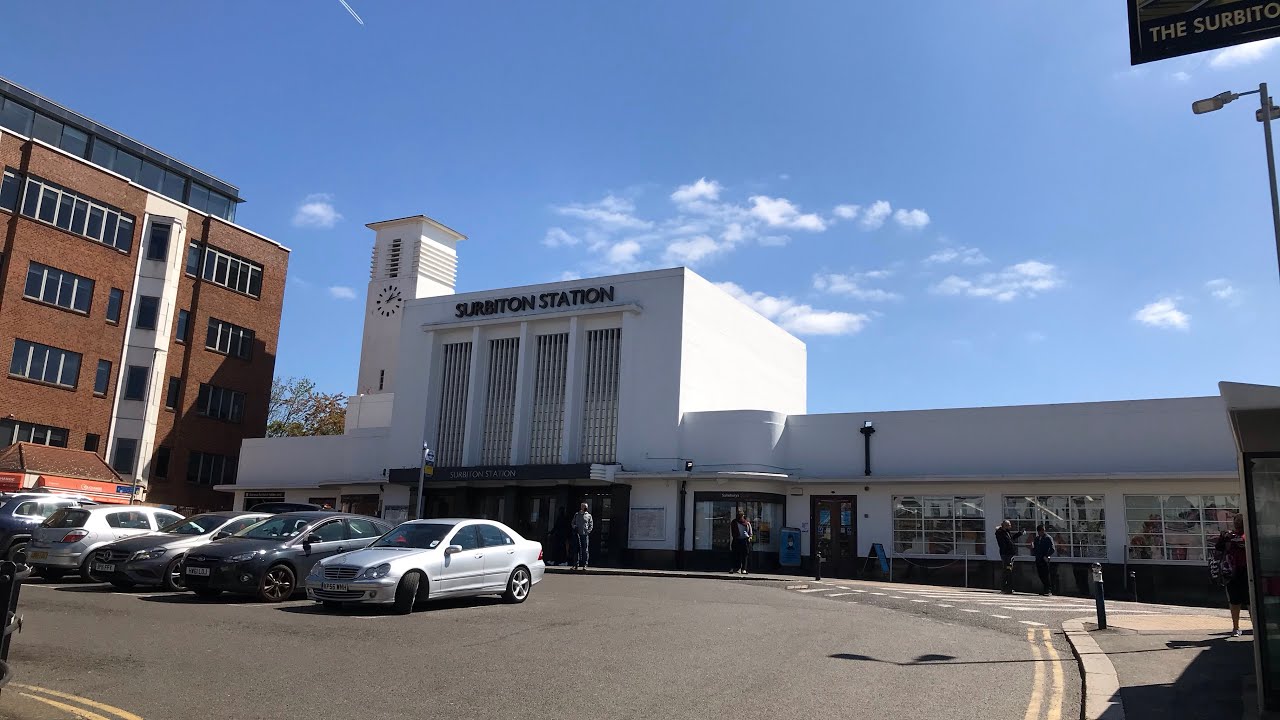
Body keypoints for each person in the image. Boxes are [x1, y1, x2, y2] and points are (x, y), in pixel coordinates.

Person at [1221, 513, 1249, 637]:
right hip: (1234, 572)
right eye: (1236, 521)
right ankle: (1236, 627)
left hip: (1245, 572)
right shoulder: (1228, 536)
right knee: (1236, 602)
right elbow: (1218, 549)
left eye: (1239, 521)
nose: (1237, 523)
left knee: (1248, 602)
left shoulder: (1247, 535)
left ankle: (1252, 627)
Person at [995, 520, 1025, 594]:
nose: (1010, 527)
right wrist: (1010, 548)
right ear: (1004, 525)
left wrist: (1020, 533)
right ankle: (1005, 588)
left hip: (1010, 554)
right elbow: (1005, 543)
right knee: (1007, 570)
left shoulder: (1007, 532)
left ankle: (1008, 588)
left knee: (1009, 571)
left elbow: (1011, 539)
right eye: (1008, 525)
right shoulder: (1000, 533)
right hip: (1006, 555)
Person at [1032, 525, 1055, 596]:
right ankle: (1045, 589)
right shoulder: (1037, 539)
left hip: (1044, 559)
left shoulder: (1048, 538)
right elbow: (1035, 548)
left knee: (1046, 574)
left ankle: (1048, 590)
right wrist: (1033, 549)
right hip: (1038, 558)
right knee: (1041, 574)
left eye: (1043, 530)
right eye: (1041, 531)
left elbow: (1052, 548)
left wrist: (1047, 555)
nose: (1042, 532)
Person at [571, 503, 593, 571]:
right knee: (576, 549)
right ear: (581, 507)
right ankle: (575, 565)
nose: (585, 508)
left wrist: (588, 531)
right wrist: (574, 527)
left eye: (586, 507)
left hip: (584, 535)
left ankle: (584, 565)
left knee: (585, 550)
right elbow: (573, 523)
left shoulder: (589, 516)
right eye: (584, 507)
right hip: (577, 534)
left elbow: (591, 525)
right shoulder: (577, 515)